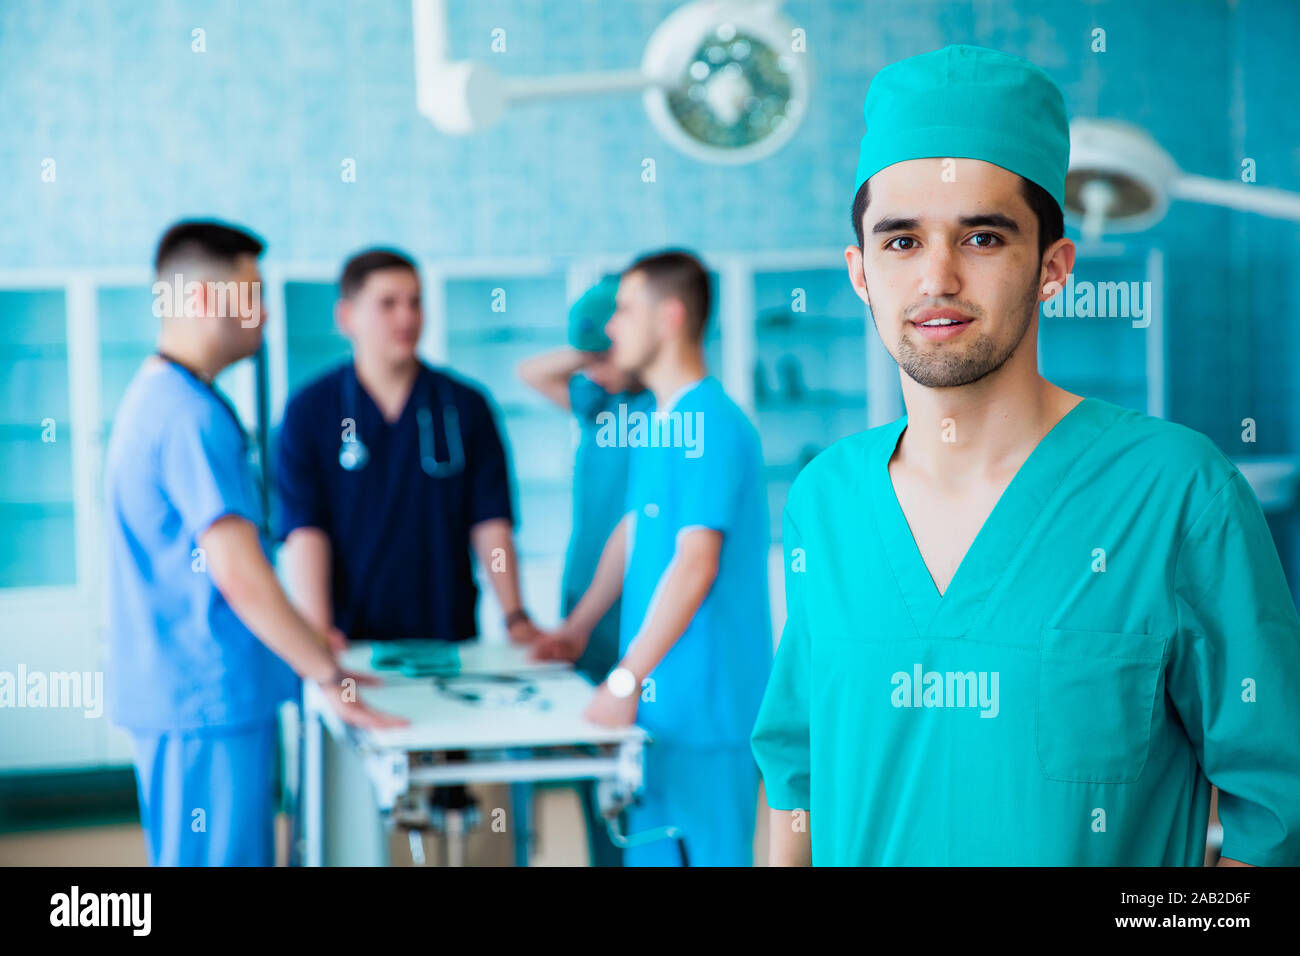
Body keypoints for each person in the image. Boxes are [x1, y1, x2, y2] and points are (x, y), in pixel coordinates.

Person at [750, 44, 1300, 866]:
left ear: (1052, 268)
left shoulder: (1177, 493)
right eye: (901, 242)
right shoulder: (825, 500)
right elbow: (796, 776)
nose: (937, 278)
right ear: (860, 273)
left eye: (981, 237)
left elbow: (1275, 807)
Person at [105, 220, 404, 867]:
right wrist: (330, 678)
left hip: (197, 695)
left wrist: (306, 637)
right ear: (209, 301)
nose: (266, 311)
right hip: (203, 699)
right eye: (254, 293)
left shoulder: (169, 398)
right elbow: (238, 574)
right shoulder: (188, 415)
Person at [536, 251, 773, 867]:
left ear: (668, 317)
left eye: (624, 310)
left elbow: (696, 562)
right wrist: (578, 629)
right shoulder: (662, 423)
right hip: (657, 714)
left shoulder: (711, 423)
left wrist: (624, 678)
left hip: (706, 713)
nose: (611, 328)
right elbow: (633, 534)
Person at [275, 248, 538, 648]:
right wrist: (318, 629)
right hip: (350, 639)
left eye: (415, 302)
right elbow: (305, 529)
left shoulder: (464, 405)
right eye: (388, 304)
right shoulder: (310, 411)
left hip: (449, 637)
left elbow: (490, 522)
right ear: (347, 317)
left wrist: (515, 616)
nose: (407, 318)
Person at [517, 276, 653, 866]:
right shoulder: (600, 399)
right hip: (584, 602)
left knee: (641, 762)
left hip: (641, 606)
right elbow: (533, 372)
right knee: (590, 752)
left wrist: (615, 348)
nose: (590, 371)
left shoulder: (667, 409)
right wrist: (592, 349)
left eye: (603, 358)